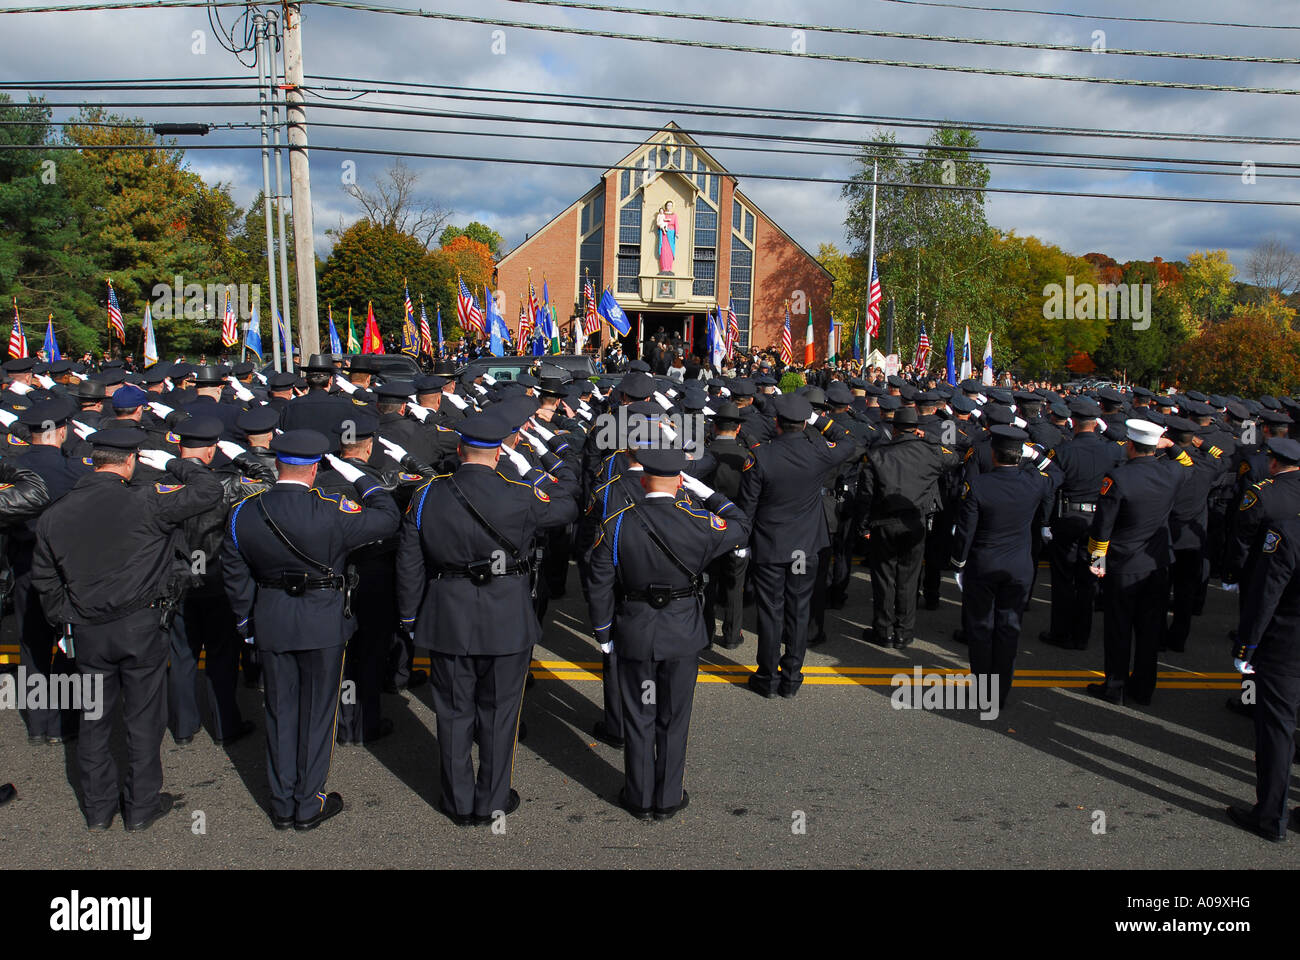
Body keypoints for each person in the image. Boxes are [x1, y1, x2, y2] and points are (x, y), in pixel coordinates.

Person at [32, 427, 223, 830]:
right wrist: (176, 462)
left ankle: (99, 810)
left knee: (93, 721)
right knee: (143, 719)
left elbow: (45, 581)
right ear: (132, 461)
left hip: (86, 628)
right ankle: (140, 806)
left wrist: (67, 616)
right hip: (141, 624)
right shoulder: (146, 502)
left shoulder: (55, 513)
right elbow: (208, 492)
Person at [395, 410, 580, 826]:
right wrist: (542, 465)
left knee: (453, 712)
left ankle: (458, 800)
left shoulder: (426, 495)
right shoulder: (520, 493)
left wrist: (409, 617)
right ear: (499, 453)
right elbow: (567, 506)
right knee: (499, 713)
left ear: (460, 451)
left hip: (447, 615)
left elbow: (409, 564)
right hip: (505, 616)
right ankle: (492, 799)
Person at [221, 430, 400, 831]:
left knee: (280, 711)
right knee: (318, 714)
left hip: (270, 617)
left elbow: (236, 575)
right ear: (316, 468)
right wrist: (361, 477)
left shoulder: (243, 512)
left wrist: (247, 621)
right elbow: (388, 519)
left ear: (277, 465)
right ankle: (308, 801)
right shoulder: (331, 509)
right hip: (322, 620)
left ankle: (282, 802)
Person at [586, 445, 750, 818]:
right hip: (681, 631)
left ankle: (639, 797)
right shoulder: (699, 520)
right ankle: (668, 797)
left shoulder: (618, 521)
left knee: (640, 715)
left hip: (635, 628)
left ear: (642, 481)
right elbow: (741, 526)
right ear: (681, 481)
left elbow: (599, 580)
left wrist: (603, 630)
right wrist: (709, 494)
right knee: (674, 718)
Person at [738, 392, 861, 697]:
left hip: (770, 545)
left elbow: (748, 508)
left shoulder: (761, 456)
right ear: (804, 423)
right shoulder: (817, 452)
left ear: (777, 422)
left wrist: (742, 543)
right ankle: (791, 676)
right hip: (805, 547)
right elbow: (849, 441)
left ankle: (767, 677)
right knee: (798, 609)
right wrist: (820, 420)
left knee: (771, 611)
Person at [950, 426, 1057, 709]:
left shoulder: (979, 485)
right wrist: (1035, 457)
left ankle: (983, 690)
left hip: (983, 563)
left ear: (994, 455)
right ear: (1019, 456)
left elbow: (965, 530)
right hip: (1019, 565)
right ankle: (1000, 693)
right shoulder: (1033, 482)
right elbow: (1058, 474)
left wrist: (958, 561)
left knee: (981, 628)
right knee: (1009, 629)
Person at [1085, 419, 1188, 706]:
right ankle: (1143, 689)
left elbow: (1102, 527)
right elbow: (1189, 465)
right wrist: (1172, 447)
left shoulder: (1118, 478)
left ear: (1130, 445)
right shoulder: (1172, 472)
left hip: (1123, 564)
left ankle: (1115, 686)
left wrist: (1096, 561)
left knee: (1119, 628)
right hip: (1157, 564)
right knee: (1149, 630)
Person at [857, 406, 960, 649]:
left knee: (884, 578)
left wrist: (863, 526)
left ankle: (883, 630)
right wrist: (931, 439)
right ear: (917, 429)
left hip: (884, 522)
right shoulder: (930, 452)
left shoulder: (878, 454)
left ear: (894, 429)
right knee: (909, 579)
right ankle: (904, 631)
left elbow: (865, 495)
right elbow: (953, 458)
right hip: (916, 521)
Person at [1226, 513, 1300, 842]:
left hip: (1288, 643)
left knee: (1276, 730)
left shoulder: (1289, 529)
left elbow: (1266, 593)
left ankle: (1271, 816)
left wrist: (1246, 645)